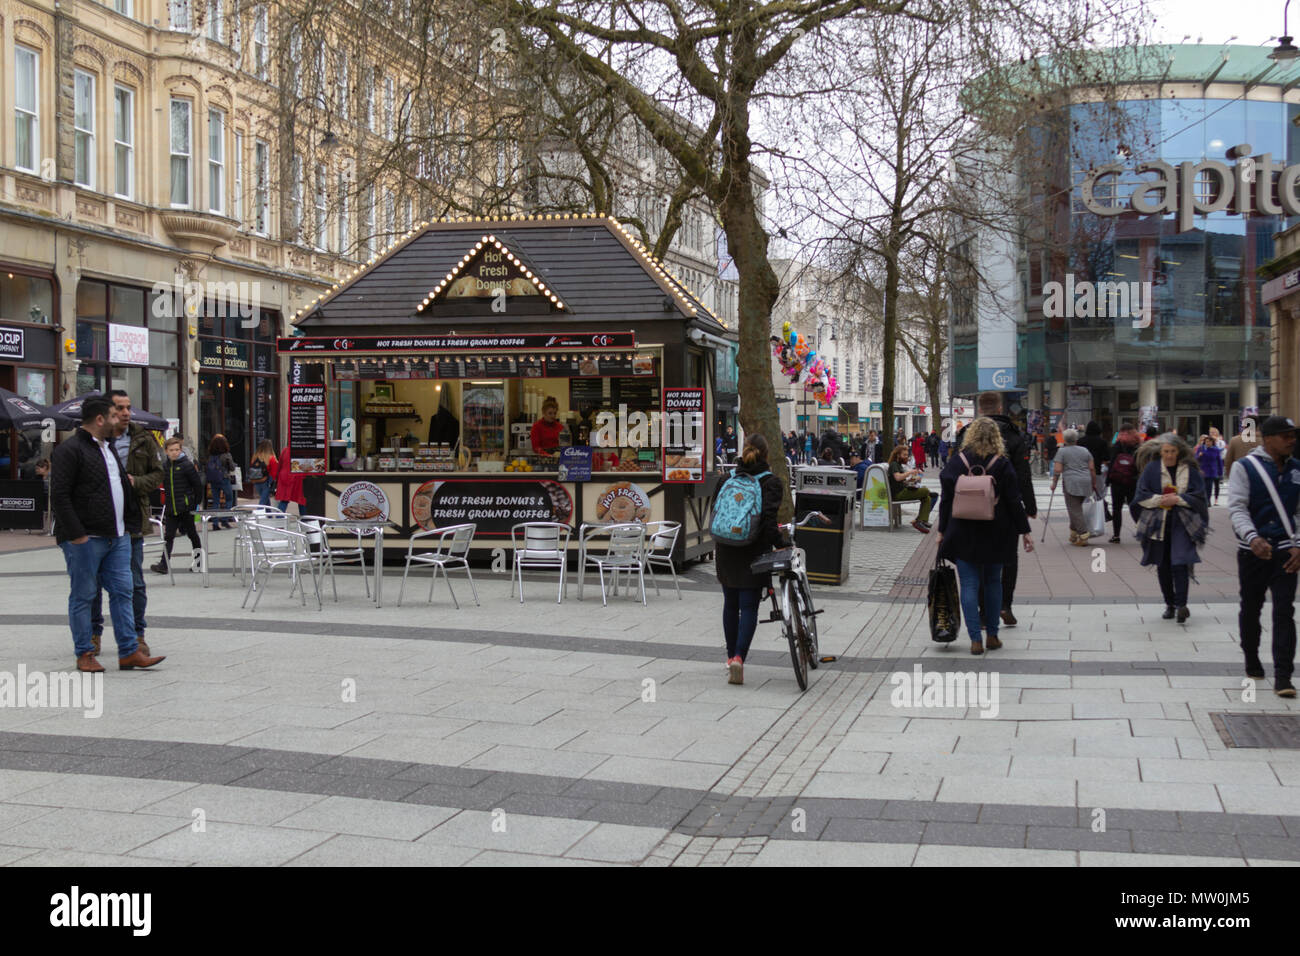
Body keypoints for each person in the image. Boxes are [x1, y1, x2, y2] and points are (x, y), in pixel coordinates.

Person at [50, 396, 164, 673]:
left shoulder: (108, 448)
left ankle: (128, 651)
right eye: (115, 415)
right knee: (84, 595)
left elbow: (122, 487)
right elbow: (60, 496)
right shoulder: (70, 450)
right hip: (87, 538)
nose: (120, 419)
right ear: (100, 419)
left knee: (123, 592)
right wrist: (77, 535)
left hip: (119, 536)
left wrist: (129, 525)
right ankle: (85, 653)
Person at [936, 417, 1034, 655]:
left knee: (969, 583)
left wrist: (941, 530)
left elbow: (946, 499)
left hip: (963, 529)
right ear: (996, 438)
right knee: (993, 582)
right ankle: (992, 635)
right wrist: (1025, 531)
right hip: (997, 530)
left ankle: (974, 640)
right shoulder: (1001, 463)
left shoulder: (957, 462)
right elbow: (1013, 500)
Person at [1228, 416, 1300, 696]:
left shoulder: (1296, 469)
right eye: (1285, 436)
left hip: (1286, 550)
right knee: (1251, 607)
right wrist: (1252, 537)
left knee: (1285, 611)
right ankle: (1252, 659)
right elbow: (1237, 507)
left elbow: (1297, 512)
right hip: (1253, 551)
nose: (1291, 440)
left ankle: (1284, 676)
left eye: (1293, 435)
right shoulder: (1244, 467)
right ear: (1267, 438)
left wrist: (1298, 543)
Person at [90, 389, 164, 658]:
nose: (125, 413)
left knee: (134, 582)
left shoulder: (143, 438)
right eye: (119, 408)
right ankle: (93, 634)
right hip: (98, 522)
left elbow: (158, 473)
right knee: (94, 583)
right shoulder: (94, 441)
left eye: (128, 407)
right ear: (106, 414)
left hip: (132, 519)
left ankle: (137, 634)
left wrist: (137, 482)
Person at [713, 433, 783, 686]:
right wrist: (783, 544)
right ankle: (740, 659)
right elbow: (768, 523)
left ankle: (730, 656)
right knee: (749, 607)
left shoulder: (726, 479)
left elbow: (716, 512)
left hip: (726, 548)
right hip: (753, 551)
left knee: (730, 604)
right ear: (766, 454)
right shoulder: (771, 482)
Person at [967, 392, 1038, 627]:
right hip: (1005, 508)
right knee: (1008, 557)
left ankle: (984, 612)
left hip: (973, 509)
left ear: (979, 408)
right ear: (1000, 406)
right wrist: (1029, 506)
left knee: (977, 559)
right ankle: (1005, 604)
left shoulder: (966, 436)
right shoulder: (1015, 436)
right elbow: (1023, 475)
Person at [1132, 433, 1209, 626]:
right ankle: (1170, 604)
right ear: (1160, 452)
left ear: (1179, 451)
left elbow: (1199, 497)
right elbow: (1141, 496)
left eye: (1173, 451)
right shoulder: (1151, 469)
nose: (1169, 455)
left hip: (1182, 523)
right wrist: (1160, 500)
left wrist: (1179, 499)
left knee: (1180, 562)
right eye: (1166, 451)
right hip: (1158, 523)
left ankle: (1181, 604)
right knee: (1163, 565)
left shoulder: (1189, 470)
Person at [152, 436, 206, 573]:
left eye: (177, 449)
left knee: (192, 534)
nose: (175, 452)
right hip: (171, 508)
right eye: (172, 450)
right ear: (166, 451)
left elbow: (197, 485)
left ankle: (199, 563)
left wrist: (195, 503)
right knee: (168, 536)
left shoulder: (187, 465)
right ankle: (164, 565)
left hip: (186, 507)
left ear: (180, 450)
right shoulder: (164, 466)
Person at [1051, 428, 1097, 546]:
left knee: (1074, 509)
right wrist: (1094, 483)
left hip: (1071, 482)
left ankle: (1083, 535)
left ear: (1065, 439)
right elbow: (1092, 468)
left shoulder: (1062, 451)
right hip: (1086, 481)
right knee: (1075, 508)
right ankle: (1073, 534)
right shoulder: (1085, 450)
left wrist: (1054, 483)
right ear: (1076, 439)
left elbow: (1057, 469)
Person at [1107, 422, 1142, 542]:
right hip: (1132, 481)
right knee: (1134, 506)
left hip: (1117, 481)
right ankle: (1142, 531)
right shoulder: (1138, 446)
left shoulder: (1117, 445)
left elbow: (1111, 464)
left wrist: (1108, 480)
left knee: (1117, 509)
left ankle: (1116, 535)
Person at [887, 444, 932, 533]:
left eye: (907, 455)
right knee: (925, 490)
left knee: (927, 497)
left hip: (903, 490)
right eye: (904, 455)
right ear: (898, 455)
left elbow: (903, 481)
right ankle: (920, 521)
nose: (906, 457)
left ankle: (921, 521)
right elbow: (897, 478)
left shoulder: (898, 465)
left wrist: (916, 478)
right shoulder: (894, 464)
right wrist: (910, 472)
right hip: (898, 494)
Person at [204, 434, 238, 529]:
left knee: (216, 501)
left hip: (213, 479)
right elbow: (231, 467)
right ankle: (224, 519)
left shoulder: (210, 455)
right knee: (229, 499)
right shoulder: (226, 455)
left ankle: (215, 523)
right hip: (224, 478)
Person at [1079, 420, 1111, 496]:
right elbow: (1106, 459)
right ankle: (1098, 507)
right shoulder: (1102, 442)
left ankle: (1085, 507)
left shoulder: (1080, 441)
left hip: (1082, 472)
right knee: (1099, 494)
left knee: (1084, 495)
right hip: (1097, 470)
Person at [274, 444, 307, 514]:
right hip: (297, 477)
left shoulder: (285, 450)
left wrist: (277, 477)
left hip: (285, 476)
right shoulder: (303, 451)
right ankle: (305, 520)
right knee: (302, 500)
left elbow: (280, 464)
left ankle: (279, 518)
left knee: (284, 499)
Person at [1194, 433, 1225, 506]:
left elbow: (1219, 461)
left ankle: (1208, 500)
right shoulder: (1201, 448)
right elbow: (1195, 459)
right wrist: (1199, 455)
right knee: (1203, 487)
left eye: (1209, 441)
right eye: (1207, 441)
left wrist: (1220, 472)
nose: (1208, 443)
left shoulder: (1215, 450)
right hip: (1203, 471)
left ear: (1212, 442)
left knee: (1209, 487)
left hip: (1212, 471)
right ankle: (1204, 500)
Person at [249, 439, 279, 507]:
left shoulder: (255, 457)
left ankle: (269, 516)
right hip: (266, 482)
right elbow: (274, 473)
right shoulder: (271, 458)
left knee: (266, 501)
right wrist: (273, 483)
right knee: (262, 502)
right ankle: (258, 516)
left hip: (256, 481)